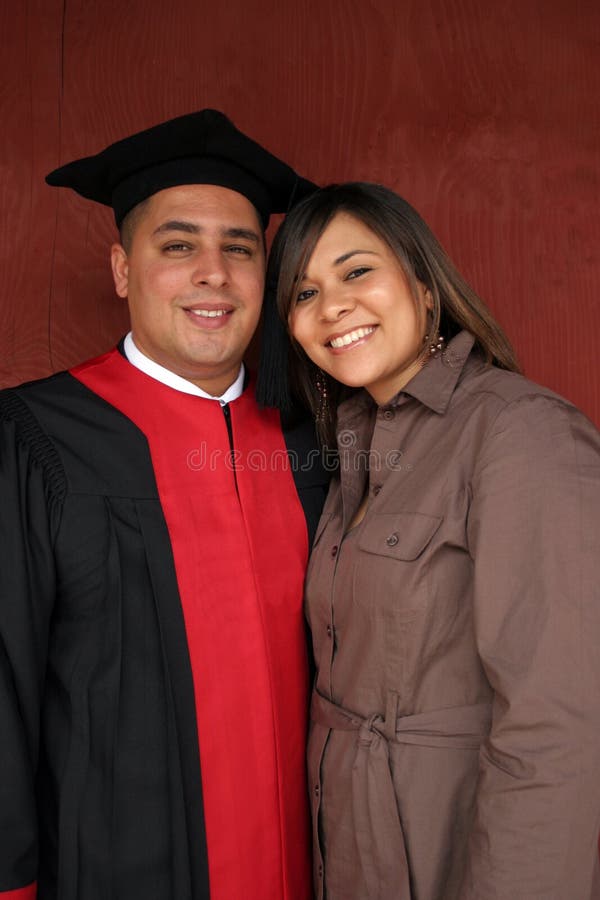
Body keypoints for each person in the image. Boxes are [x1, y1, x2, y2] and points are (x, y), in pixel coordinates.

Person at [0, 109, 329, 900]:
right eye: (178, 246)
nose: (213, 273)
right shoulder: (35, 439)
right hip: (112, 871)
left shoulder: (312, 439)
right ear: (122, 269)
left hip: (309, 869)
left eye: (239, 248)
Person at [257, 182, 600, 899]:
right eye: (304, 293)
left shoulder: (520, 433)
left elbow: (561, 727)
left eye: (356, 271)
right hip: (349, 851)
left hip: (457, 845)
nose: (332, 307)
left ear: (422, 283)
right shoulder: (347, 449)